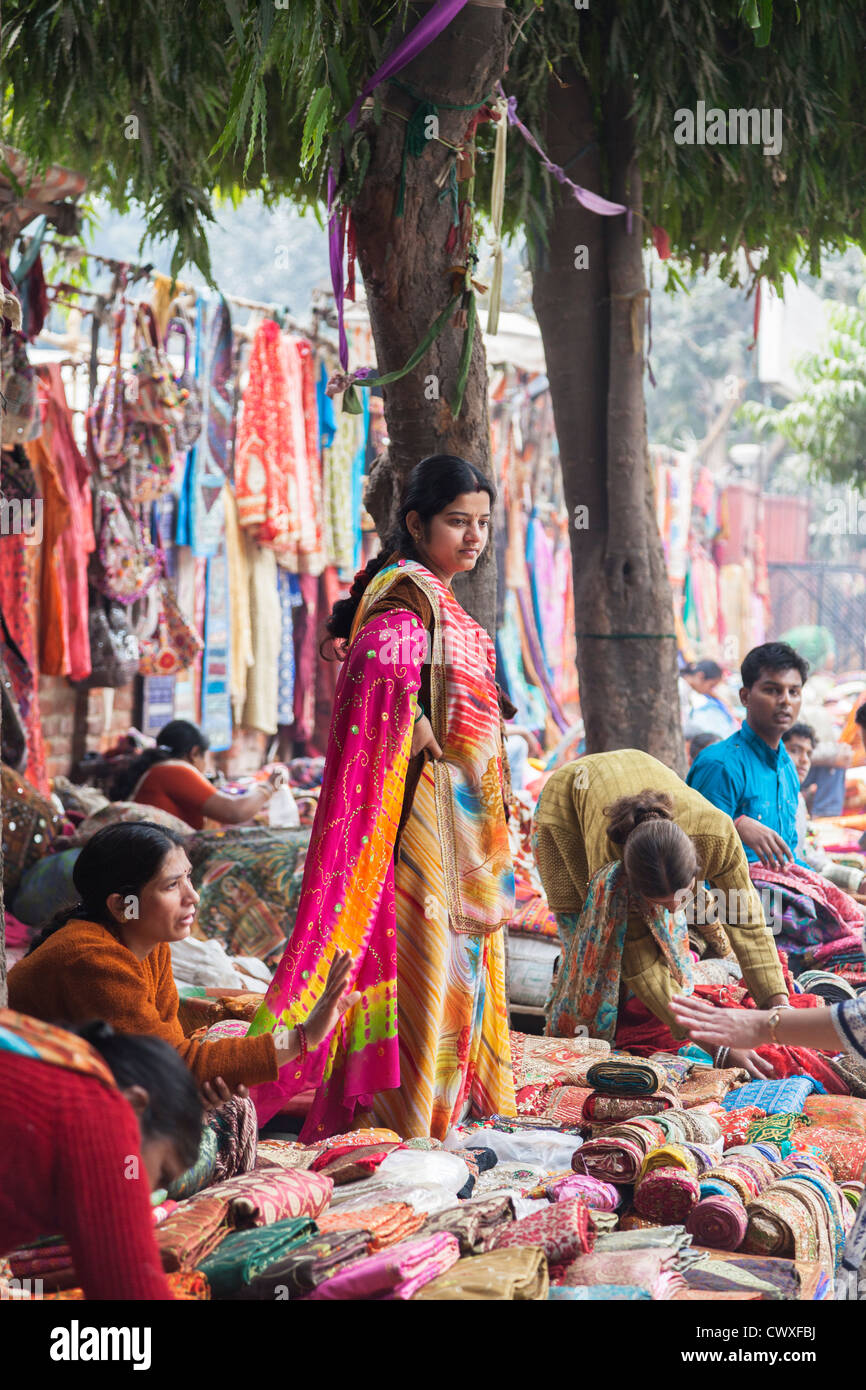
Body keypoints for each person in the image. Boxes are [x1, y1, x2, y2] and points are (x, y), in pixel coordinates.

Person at [246, 454, 516, 1141]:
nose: (474, 536)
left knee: (453, 975)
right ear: (416, 522)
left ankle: (432, 1124)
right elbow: (376, 671)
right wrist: (415, 722)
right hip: (421, 823)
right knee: (426, 979)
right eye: (458, 522)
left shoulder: (430, 592)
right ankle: (401, 1131)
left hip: (460, 831)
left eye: (483, 523)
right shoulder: (407, 593)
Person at [7, 822, 360, 1107]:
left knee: (228, 1102)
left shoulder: (150, 944)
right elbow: (174, 1063)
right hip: (37, 1105)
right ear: (122, 906)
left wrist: (197, 1084)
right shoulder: (91, 959)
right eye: (172, 885)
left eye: (188, 877)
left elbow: (171, 1049)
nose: (193, 896)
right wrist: (305, 1036)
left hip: (114, 1082)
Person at [533, 749, 788, 1077]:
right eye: (659, 903)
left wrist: (779, 1011)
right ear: (632, 886)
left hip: (634, 782)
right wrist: (719, 1046)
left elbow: (746, 921)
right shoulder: (612, 876)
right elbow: (642, 966)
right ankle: (588, 1035)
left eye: (680, 899)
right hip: (566, 807)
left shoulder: (718, 837)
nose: (672, 911)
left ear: (697, 871)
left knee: (677, 937)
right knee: (594, 945)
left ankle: (651, 1015)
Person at [0, 1011, 203, 1300]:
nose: (145, 1196)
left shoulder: (45, 1053)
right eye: (161, 1173)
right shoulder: (101, 1112)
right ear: (135, 1105)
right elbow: (132, 1292)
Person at [686, 641, 808, 869]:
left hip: (780, 895)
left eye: (793, 691)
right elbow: (694, 852)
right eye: (772, 690)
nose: (785, 701)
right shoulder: (720, 765)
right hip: (730, 901)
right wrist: (735, 826)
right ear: (745, 697)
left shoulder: (787, 768)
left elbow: (790, 858)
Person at [112, 719, 287, 830]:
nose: (206, 766)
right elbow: (235, 812)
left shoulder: (158, 769)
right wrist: (269, 786)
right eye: (206, 757)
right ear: (194, 753)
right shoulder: (174, 770)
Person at [783, 722, 866, 896]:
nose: (804, 760)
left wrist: (856, 879)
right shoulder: (773, 797)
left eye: (808, 753)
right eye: (794, 750)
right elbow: (799, 863)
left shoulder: (797, 801)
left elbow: (810, 855)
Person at [680, 659, 738, 738]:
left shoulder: (689, 688)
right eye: (711, 686)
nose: (710, 690)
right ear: (700, 676)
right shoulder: (681, 688)